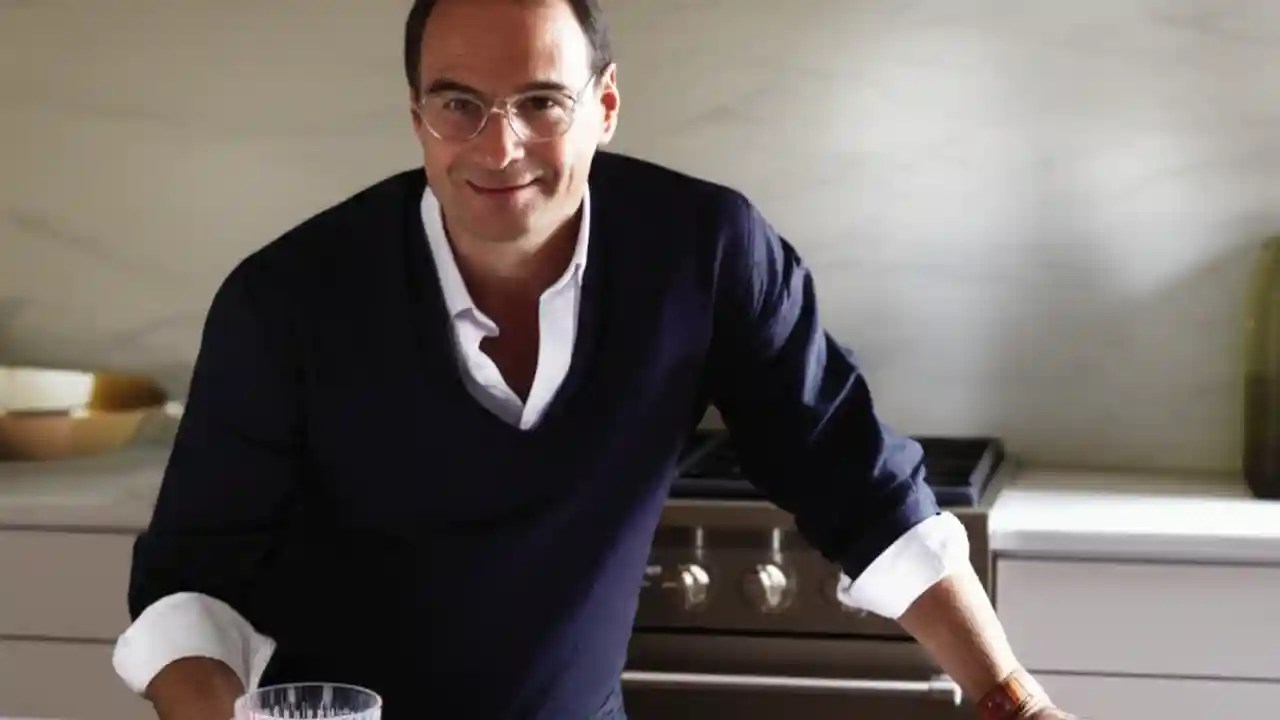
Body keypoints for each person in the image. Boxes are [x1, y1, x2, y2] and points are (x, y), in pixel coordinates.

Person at [112, 1, 1076, 718]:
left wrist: (1007, 692)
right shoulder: (285, 299)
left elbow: (853, 478)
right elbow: (193, 581)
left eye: (542, 102)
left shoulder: (705, 253)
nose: (501, 146)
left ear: (605, 107)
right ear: (416, 117)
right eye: (461, 104)